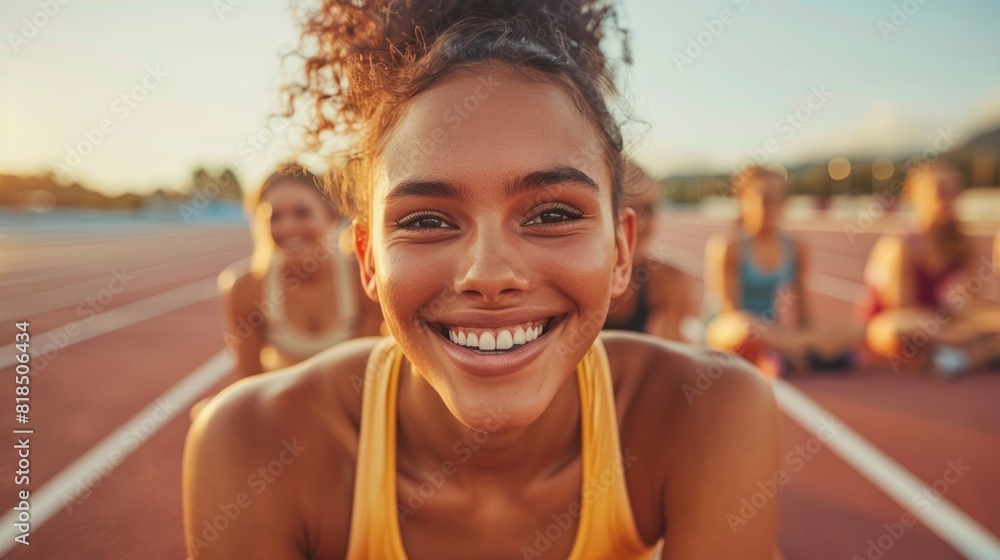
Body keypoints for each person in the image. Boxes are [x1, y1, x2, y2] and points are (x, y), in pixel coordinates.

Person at [183, 2, 780, 559]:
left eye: (551, 214)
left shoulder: (710, 413)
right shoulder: (248, 444)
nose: (489, 276)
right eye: (426, 221)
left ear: (621, 250)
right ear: (368, 259)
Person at [219, 163, 383, 377]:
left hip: (353, 408)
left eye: (302, 213)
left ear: (331, 217)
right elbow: (247, 382)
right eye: (275, 217)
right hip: (279, 407)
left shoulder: (362, 278)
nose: (288, 227)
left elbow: (368, 376)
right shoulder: (246, 288)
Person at [704, 166, 861, 377]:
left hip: (774, 332)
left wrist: (811, 335)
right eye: (765, 198)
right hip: (731, 328)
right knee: (745, 328)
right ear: (744, 201)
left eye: (779, 198)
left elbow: (803, 313)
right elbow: (729, 312)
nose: (773, 206)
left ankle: (783, 353)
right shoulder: (728, 246)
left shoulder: (795, 247)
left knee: (856, 329)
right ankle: (806, 354)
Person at [863, 161, 1000, 374]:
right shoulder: (901, 245)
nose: (948, 199)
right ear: (917, 197)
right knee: (897, 328)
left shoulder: (965, 244)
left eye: (954, 192)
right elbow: (902, 309)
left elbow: (973, 305)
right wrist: (958, 321)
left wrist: (970, 312)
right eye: (940, 192)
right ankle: (970, 351)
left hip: (948, 328)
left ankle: (959, 356)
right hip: (902, 328)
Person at [604, 163, 696, 341]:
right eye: (627, 205)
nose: (638, 221)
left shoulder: (670, 280)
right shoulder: (572, 276)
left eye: (648, 209)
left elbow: (673, 357)